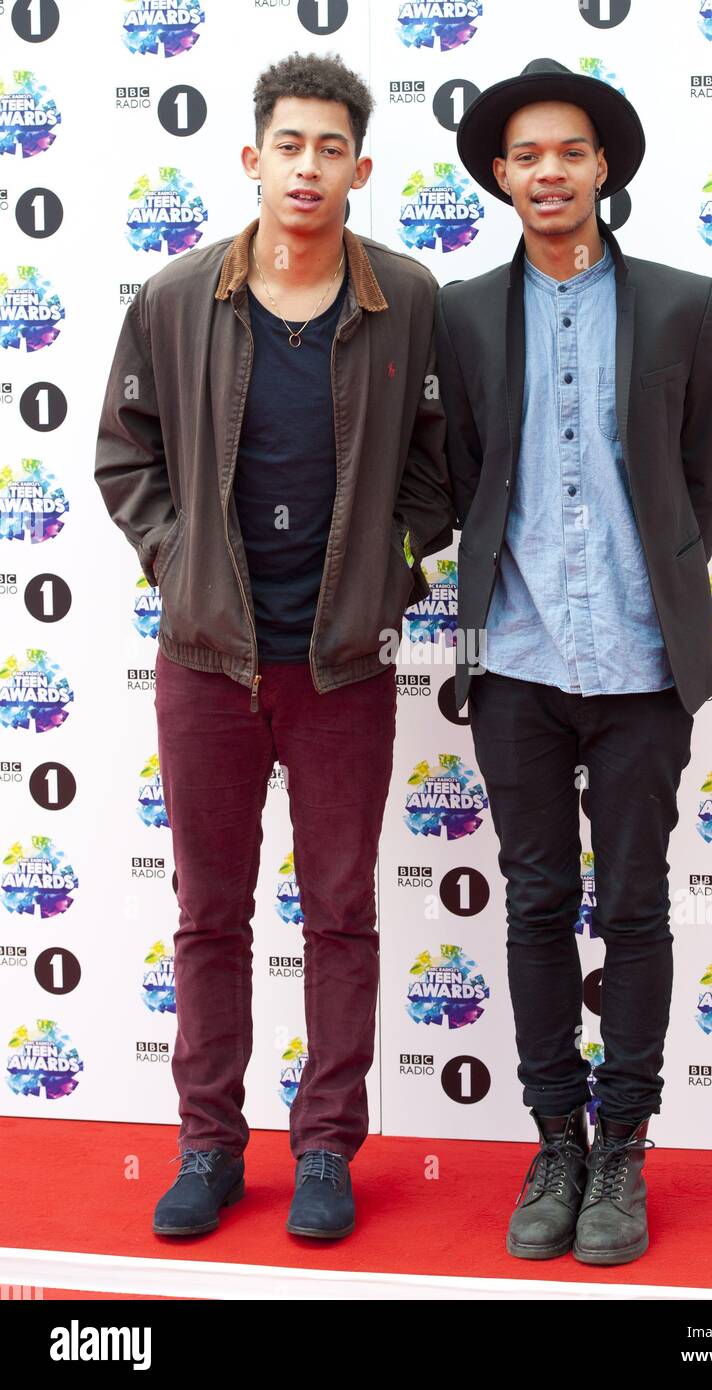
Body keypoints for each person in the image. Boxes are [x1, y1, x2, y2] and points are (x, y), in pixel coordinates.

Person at [94, 51, 453, 1241]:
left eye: (330, 147)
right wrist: (179, 560)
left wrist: (386, 575)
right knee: (208, 912)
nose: (308, 166)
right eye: (287, 145)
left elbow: (435, 474)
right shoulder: (176, 297)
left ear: (360, 164)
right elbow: (124, 456)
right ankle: (207, 1144)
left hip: (341, 666)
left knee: (340, 910)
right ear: (253, 158)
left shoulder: (405, 297)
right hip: (208, 661)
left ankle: (325, 1149)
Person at [434, 58, 712, 1265]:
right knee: (534, 905)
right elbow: (458, 471)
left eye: (568, 151)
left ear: (601, 165)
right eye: (524, 156)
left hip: (640, 663)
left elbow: (702, 475)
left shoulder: (680, 302)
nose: (546, 171)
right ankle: (553, 1138)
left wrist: (648, 585)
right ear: (499, 177)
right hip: (510, 655)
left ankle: (622, 1147)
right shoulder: (459, 311)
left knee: (635, 908)